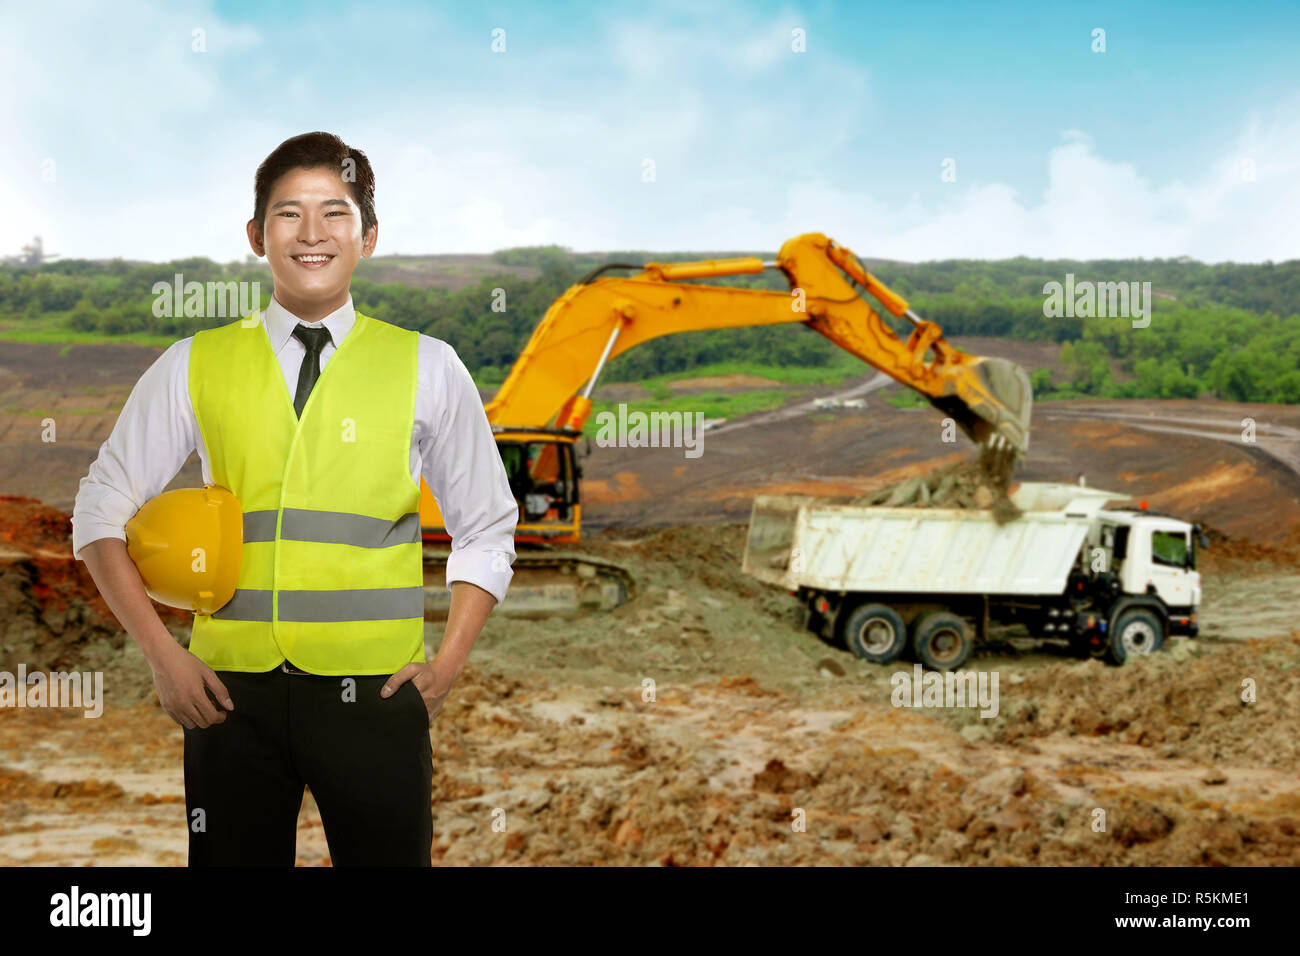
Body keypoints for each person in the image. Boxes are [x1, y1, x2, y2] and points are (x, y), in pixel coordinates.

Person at [72, 131, 518, 866]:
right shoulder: (195, 363)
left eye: (335, 213)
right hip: (225, 696)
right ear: (256, 235)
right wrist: (163, 656)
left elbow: (487, 527)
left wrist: (448, 664)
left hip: (374, 695)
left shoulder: (430, 367)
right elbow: (98, 510)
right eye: (288, 213)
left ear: (368, 236)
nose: (312, 234)